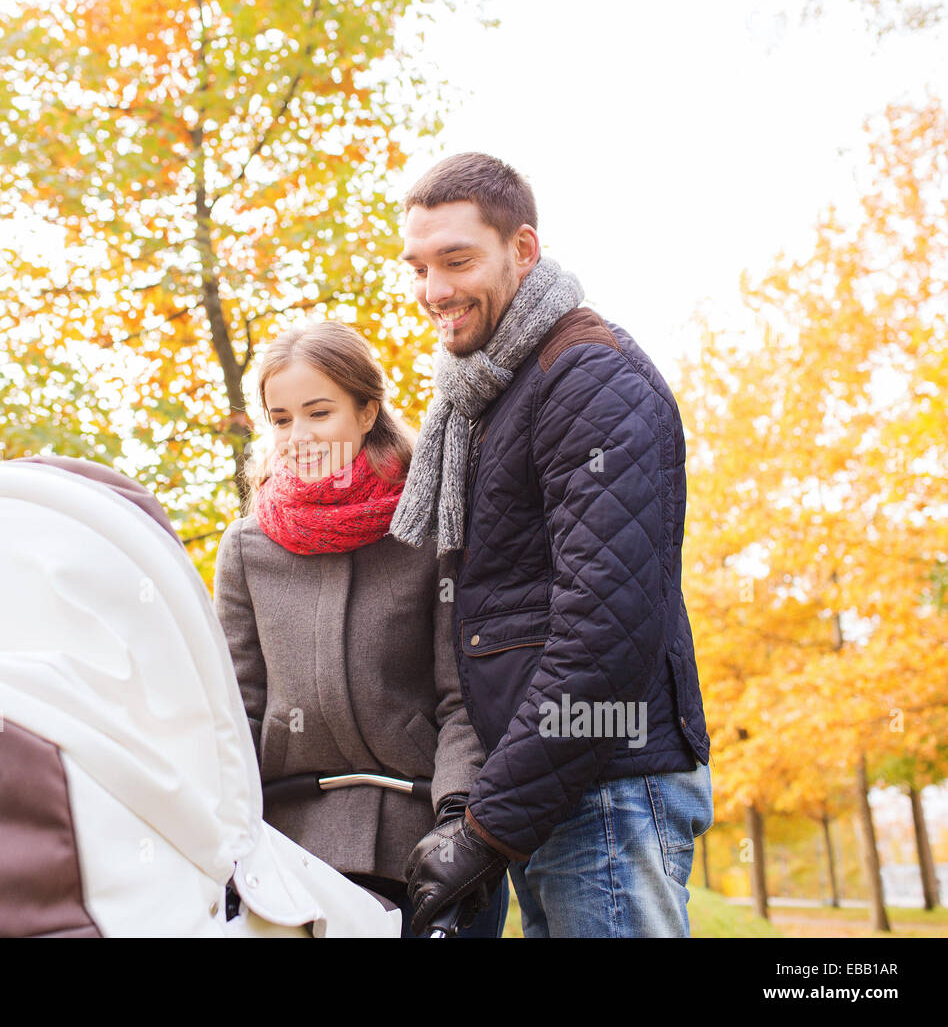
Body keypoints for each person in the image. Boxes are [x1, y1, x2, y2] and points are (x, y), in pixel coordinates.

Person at [392, 153, 714, 938]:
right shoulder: (494, 395)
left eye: (457, 260)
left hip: (605, 789)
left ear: (523, 251)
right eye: (419, 267)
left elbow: (605, 636)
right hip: (551, 792)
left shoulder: (587, 381)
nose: (434, 291)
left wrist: (486, 828)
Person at [212, 320, 508, 937]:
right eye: (281, 418)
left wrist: (458, 822)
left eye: (318, 412)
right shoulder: (247, 548)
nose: (299, 436)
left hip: (425, 843)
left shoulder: (428, 531)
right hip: (290, 850)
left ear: (367, 409)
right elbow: (236, 708)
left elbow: (462, 698)